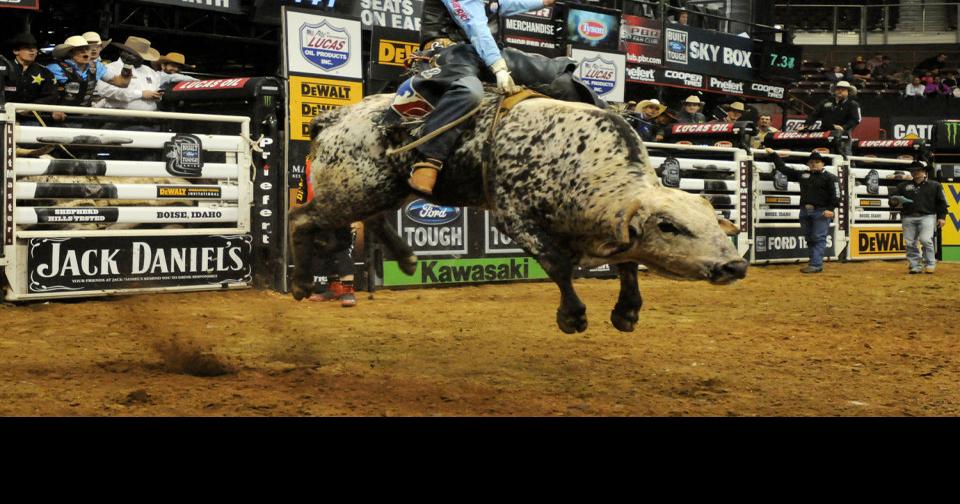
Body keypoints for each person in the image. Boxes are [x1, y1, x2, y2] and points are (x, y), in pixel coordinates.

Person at [404, 0, 562, 196]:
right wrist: (499, 67)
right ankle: (428, 160)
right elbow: (475, 25)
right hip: (446, 53)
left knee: (559, 75)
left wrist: (542, 2)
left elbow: (500, 5)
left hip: (480, 53)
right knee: (469, 92)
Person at [764, 148, 840, 273]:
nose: (814, 164)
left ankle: (816, 264)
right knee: (810, 237)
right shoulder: (804, 175)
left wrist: (831, 209)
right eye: (811, 162)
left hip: (821, 211)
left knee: (818, 237)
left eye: (817, 162)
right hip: (805, 210)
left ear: (822, 163)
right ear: (808, 164)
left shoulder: (830, 177)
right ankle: (814, 262)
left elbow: (836, 194)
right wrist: (773, 155)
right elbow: (784, 169)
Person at [93, 36, 196, 113]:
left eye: (142, 56)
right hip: (119, 116)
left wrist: (157, 95)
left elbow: (162, 84)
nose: (141, 59)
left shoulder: (149, 71)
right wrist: (141, 94)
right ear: (124, 53)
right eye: (137, 55)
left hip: (150, 118)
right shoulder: (110, 68)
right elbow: (106, 91)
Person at [889, 162, 948, 274]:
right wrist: (894, 201)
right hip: (908, 217)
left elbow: (942, 202)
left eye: (918, 170)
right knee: (910, 242)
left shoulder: (935, 185)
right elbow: (892, 200)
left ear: (924, 172)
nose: (915, 173)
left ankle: (930, 263)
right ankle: (915, 265)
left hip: (927, 216)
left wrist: (942, 217)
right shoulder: (902, 186)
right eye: (913, 171)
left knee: (925, 240)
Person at [46, 35, 131, 108]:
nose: (85, 52)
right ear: (70, 53)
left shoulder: (97, 67)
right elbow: (43, 92)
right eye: (80, 49)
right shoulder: (55, 68)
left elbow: (122, 83)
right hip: (60, 113)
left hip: (84, 114)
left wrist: (127, 71)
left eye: (87, 49)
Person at [0, 33, 61, 123]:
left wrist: (30, 108)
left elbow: (51, 95)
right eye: (27, 48)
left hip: (32, 117)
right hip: (4, 116)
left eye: (34, 48)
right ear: (16, 51)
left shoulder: (45, 72)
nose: (32, 51)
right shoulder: (3, 69)